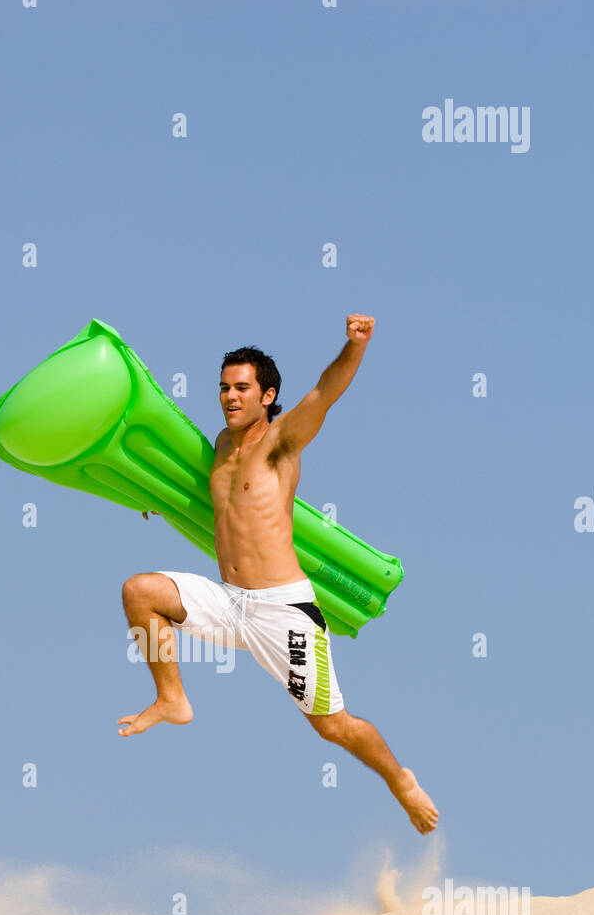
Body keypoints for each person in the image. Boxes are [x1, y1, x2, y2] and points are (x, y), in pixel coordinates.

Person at [118, 315, 438, 835]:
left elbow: (325, 392)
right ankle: (172, 698)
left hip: (283, 613)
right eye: (223, 387)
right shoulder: (222, 445)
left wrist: (353, 346)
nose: (229, 397)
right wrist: (151, 499)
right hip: (229, 601)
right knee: (140, 592)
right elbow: (204, 502)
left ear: (268, 395)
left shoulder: (283, 442)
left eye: (241, 388)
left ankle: (400, 780)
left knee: (333, 727)